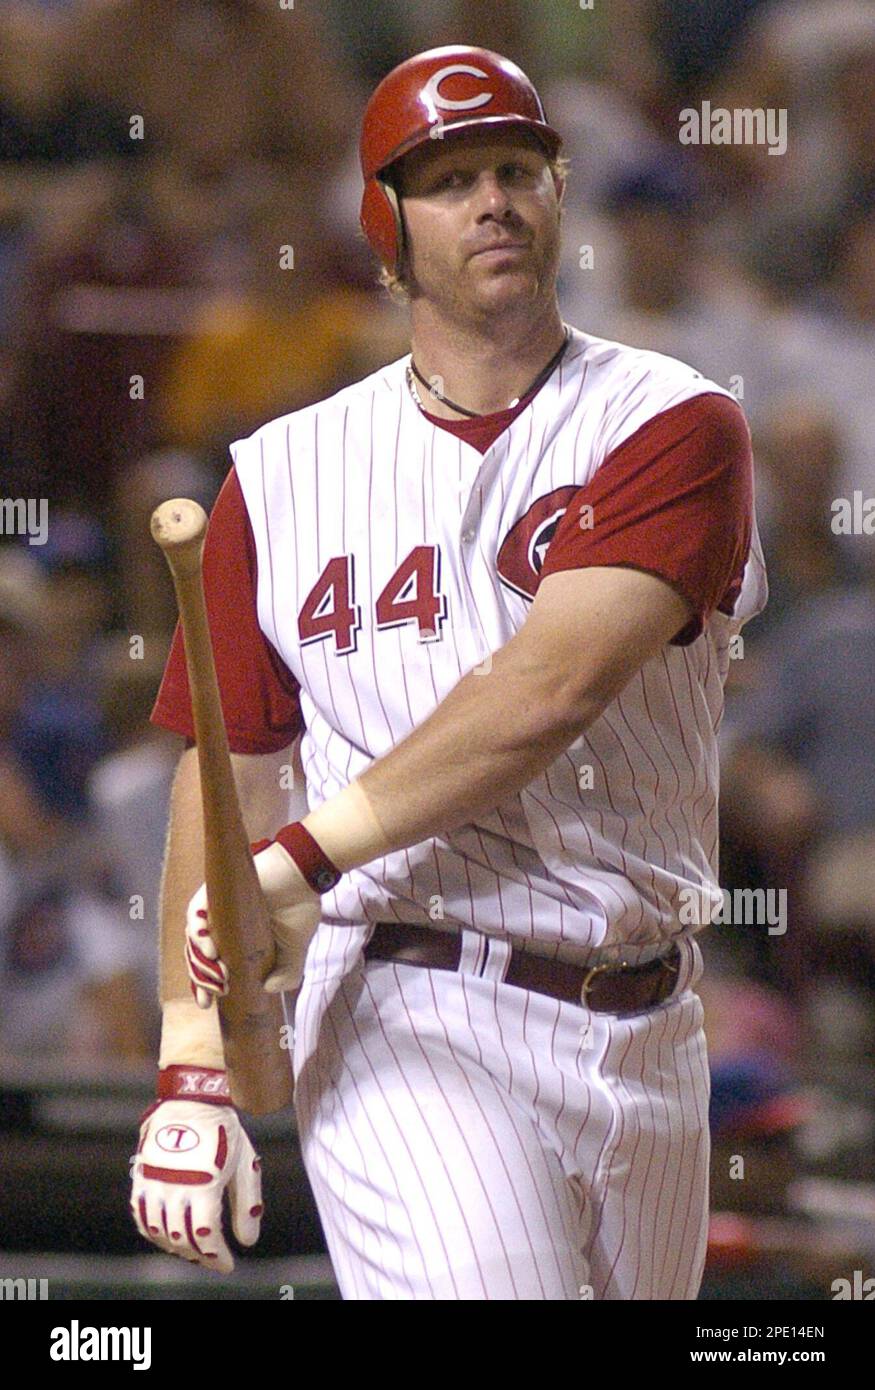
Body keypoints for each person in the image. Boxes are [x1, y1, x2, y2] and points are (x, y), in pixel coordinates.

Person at [130, 46, 767, 1300]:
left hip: (649, 1016)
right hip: (408, 999)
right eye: (449, 178)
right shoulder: (278, 474)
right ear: (388, 229)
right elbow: (229, 777)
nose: (492, 199)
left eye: (516, 168)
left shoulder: (670, 422)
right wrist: (191, 1063)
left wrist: (291, 864)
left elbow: (546, 692)